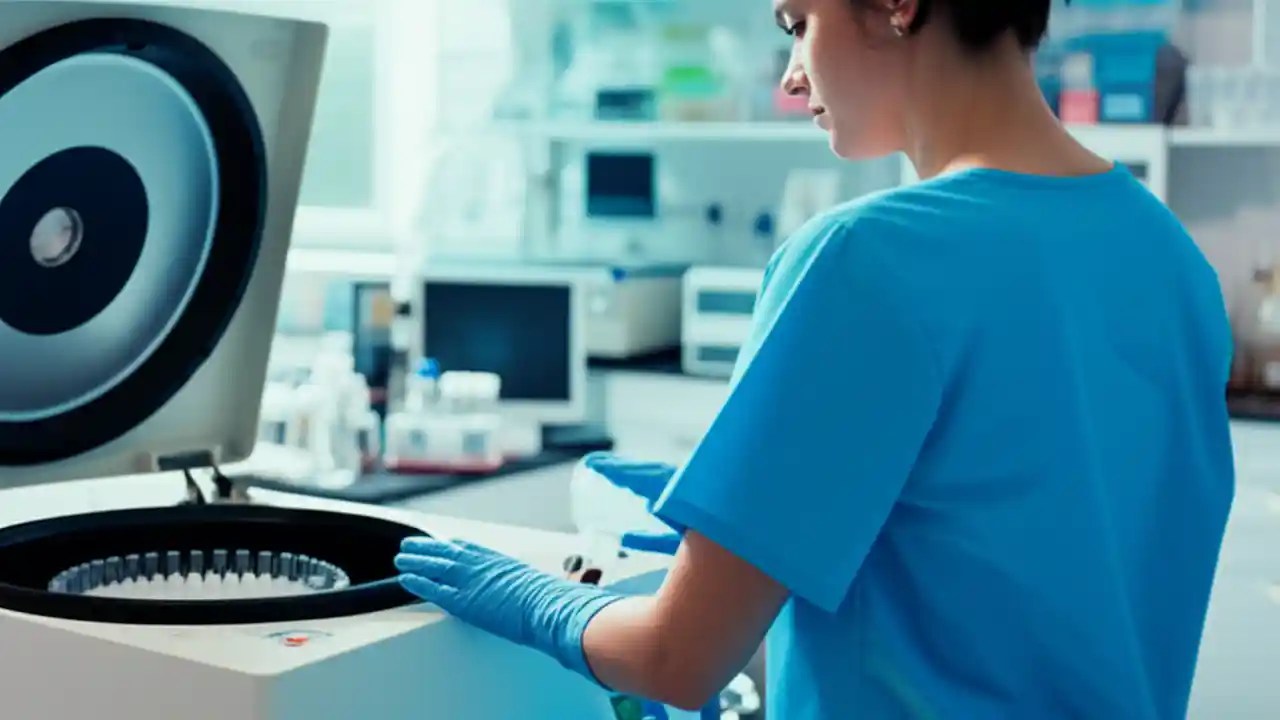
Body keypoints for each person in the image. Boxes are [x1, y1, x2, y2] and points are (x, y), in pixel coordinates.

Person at [394, 0, 1237, 717]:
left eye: (800, 23)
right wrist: (757, 525)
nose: (793, 73)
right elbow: (1025, 560)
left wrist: (538, 597)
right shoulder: (1172, 261)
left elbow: (678, 661)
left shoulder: (868, 258)